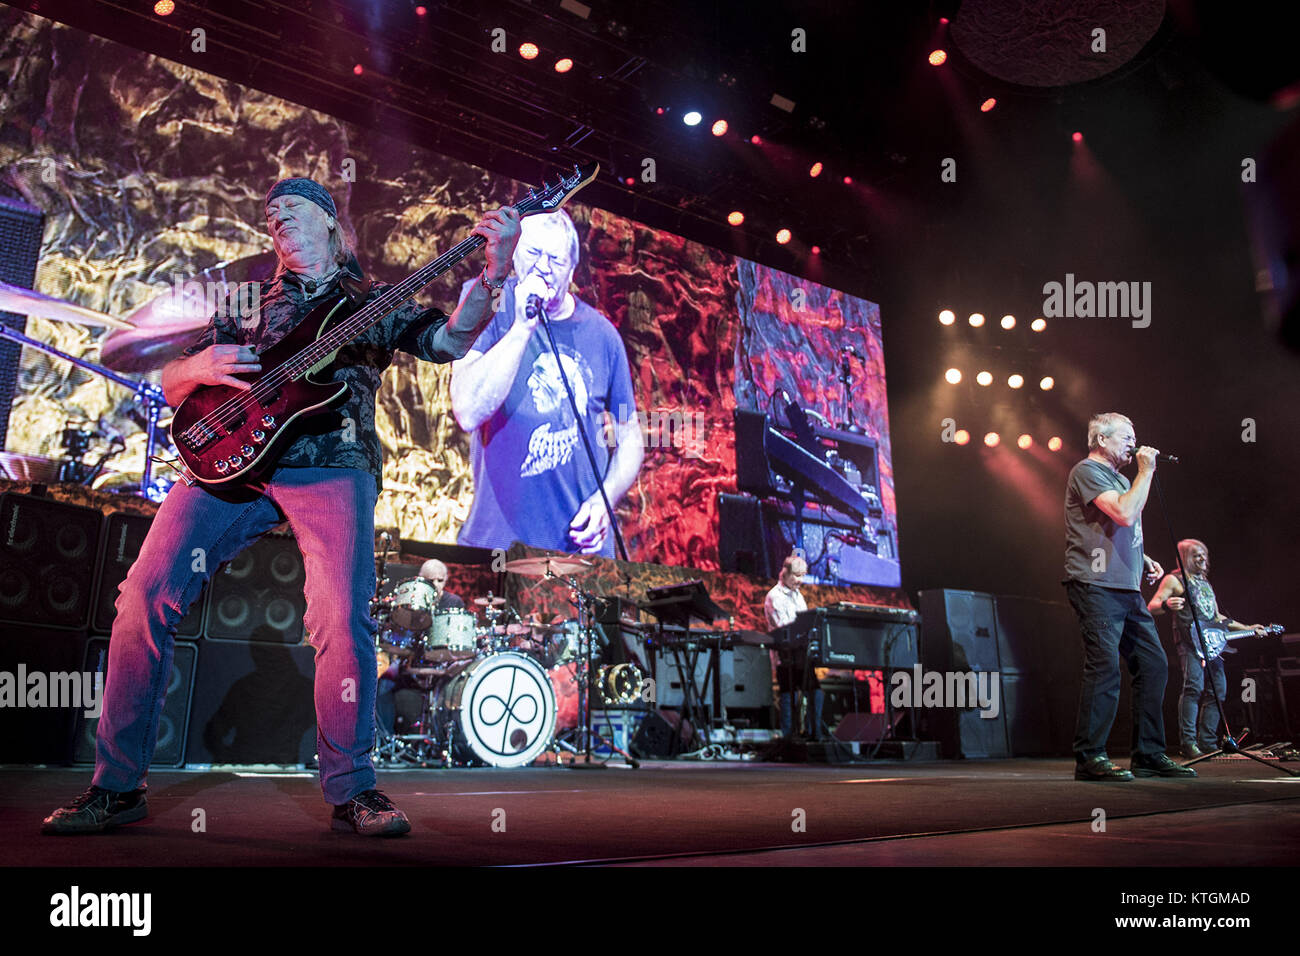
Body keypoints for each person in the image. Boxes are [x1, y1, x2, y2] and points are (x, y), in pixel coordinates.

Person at [42, 177, 521, 835]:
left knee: (340, 618)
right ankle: (116, 787)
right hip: (226, 467)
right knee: (143, 597)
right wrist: (202, 365)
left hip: (331, 465)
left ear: (328, 221)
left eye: (291, 208)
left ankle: (355, 792)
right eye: (269, 215)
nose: (277, 218)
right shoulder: (245, 302)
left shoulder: (371, 302)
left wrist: (495, 275)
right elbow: (173, 380)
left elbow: (451, 343)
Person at [451, 209, 643, 557]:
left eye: (555, 259)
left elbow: (630, 434)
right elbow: (466, 410)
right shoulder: (486, 301)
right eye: (533, 253)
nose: (542, 266)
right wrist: (522, 327)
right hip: (497, 544)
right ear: (515, 256)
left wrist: (605, 498)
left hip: (579, 550)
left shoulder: (603, 336)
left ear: (572, 269)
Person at [1063, 412, 1195, 780]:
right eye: (1126, 436)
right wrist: (1147, 471)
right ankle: (1089, 757)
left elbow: (1120, 526)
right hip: (1095, 584)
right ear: (1101, 440)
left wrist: (1144, 556)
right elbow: (1123, 512)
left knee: (1153, 665)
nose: (1133, 443)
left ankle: (1149, 753)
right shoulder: (1087, 471)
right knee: (1104, 667)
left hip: (1125, 588)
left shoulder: (1121, 477)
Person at [1148, 539, 1269, 757]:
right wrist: (1166, 605)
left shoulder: (1204, 582)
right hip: (1190, 643)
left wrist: (1248, 628)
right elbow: (1152, 606)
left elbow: (1216, 617)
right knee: (1193, 688)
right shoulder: (1174, 580)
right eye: (1196, 555)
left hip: (1212, 644)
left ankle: (1207, 742)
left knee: (1218, 691)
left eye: (1204, 554)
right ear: (1185, 557)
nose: (1203, 558)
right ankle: (1188, 742)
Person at [375, 559, 465, 736]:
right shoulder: (410, 604)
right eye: (431, 581)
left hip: (443, 667)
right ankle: (387, 741)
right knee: (381, 685)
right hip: (412, 663)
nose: (437, 586)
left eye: (441, 581)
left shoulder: (454, 603)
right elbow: (398, 640)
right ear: (421, 579)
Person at [764, 552, 823, 738]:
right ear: (785, 573)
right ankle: (788, 737)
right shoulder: (775, 596)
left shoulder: (798, 596)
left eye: (802, 576)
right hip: (786, 656)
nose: (800, 580)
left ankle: (814, 733)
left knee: (815, 693)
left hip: (801, 654)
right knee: (789, 696)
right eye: (797, 576)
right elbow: (784, 628)